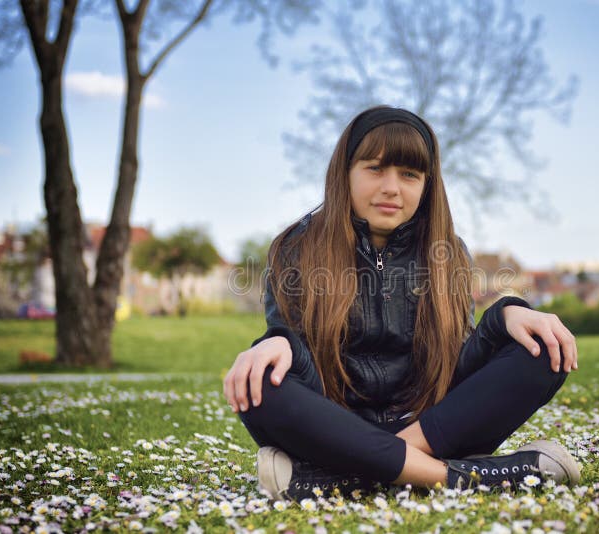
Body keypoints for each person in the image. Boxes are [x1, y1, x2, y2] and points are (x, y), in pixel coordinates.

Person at [223, 106, 580, 502]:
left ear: (428, 184)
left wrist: (509, 312)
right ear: (345, 174)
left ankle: (344, 476)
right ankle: (463, 477)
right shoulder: (296, 249)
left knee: (544, 347)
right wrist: (278, 343)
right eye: (375, 169)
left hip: (431, 422)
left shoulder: (449, 253)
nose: (392, 187)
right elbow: (298, 362)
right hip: (334, 425)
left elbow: (458, 357)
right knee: (260, 383)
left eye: (409, 174)